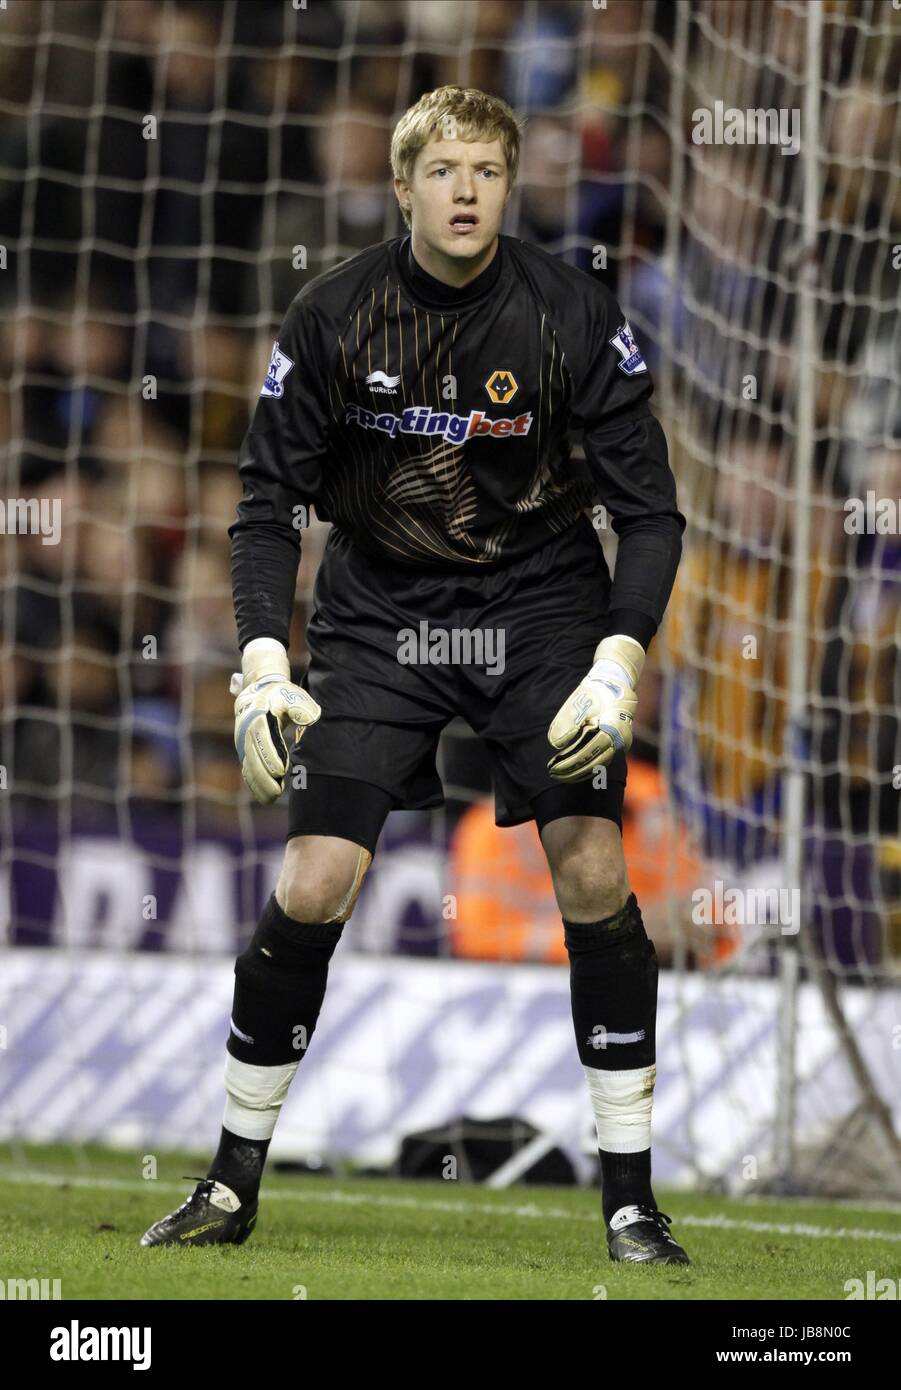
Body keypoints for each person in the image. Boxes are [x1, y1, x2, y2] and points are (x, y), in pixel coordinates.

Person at [141, 85, 688, 1265]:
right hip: (381, 617)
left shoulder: (573, 315)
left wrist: (617, 655)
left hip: (540, 613)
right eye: (443, 171)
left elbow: (650, 515)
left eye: (488, 170)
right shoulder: (333, 315)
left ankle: (632, 1203)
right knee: (314, 877)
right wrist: (259, 657)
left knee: (594, 869)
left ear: (510, 185)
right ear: (403, 189)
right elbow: (264, 506)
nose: (467, 191)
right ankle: (230, 1185)